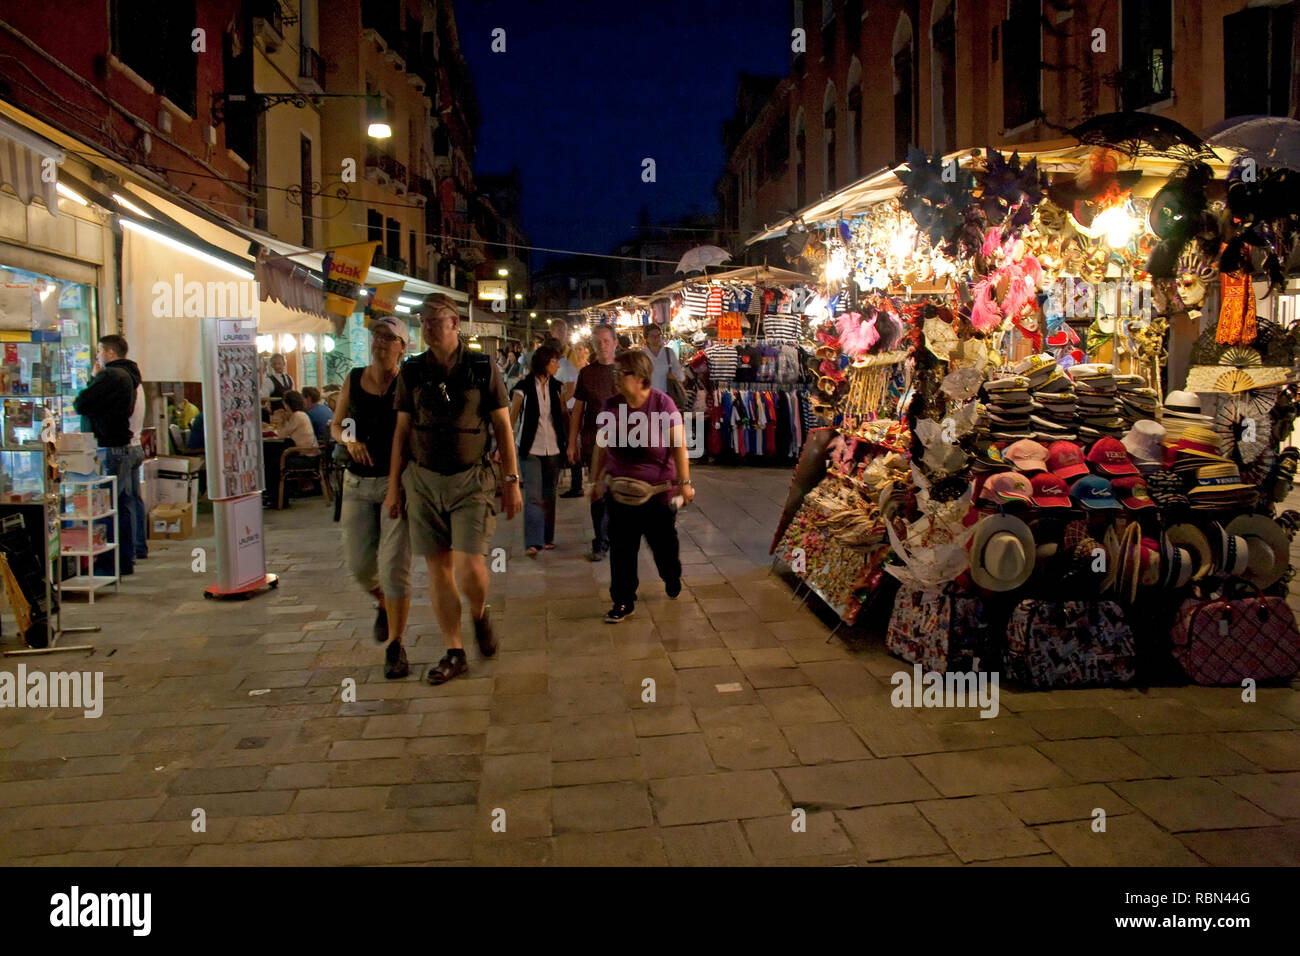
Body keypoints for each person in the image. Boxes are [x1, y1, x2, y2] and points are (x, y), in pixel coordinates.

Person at [386, 296, 522, 686]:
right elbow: (401, 433)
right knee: (438, 570)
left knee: (469, 566)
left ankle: (479, 613)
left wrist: (511, 480)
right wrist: (394, 487)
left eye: (434, 320)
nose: (426, 327)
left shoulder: (481, 366)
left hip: (470, 480)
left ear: (454, 323)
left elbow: (502, 427)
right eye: (422, 321)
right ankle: (454, 650)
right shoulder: (412, 371)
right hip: (423, 480)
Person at [331, 316, 413, 676]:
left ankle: (396, 645)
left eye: (389, 339)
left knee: (395, 568)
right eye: (377, 337)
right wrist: (349, 440)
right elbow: (336, 424)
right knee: (361, 566)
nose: (381, 344)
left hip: (397, 485)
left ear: (401, 348)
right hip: (357, 485)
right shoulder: (354, 379)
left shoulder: (408, 384)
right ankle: (382, 603)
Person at [590, 350, 693, 622]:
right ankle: (623, 600)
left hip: (657, 493)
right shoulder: (611, 405)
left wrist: (684, 484)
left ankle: (671, 576)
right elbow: (601, 446)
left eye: (619, 373)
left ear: (639, 378)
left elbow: (679, 446)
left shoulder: (663, 405)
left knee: (664, 548)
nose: (614, 378)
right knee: (622, 549)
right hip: (620, 492)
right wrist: (595, 480)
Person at [74, 334, 142, 575]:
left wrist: (93, 379)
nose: (97, 356)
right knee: (122, 503)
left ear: (110, 353)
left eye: (100, 351)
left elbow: (80, 404)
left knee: (107, 506)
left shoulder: (110, 376)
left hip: (109, 446)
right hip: (121, 445)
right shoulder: (129, 376)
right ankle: (125, 558)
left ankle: (108, 561)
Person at [510, 345, 567, 557]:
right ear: (544, 362)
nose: (558, 365)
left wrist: (569, 443)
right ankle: (533, 542)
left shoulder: (557, 387)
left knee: (549, 495)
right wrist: (502, 446)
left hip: (552, 447)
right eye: (554, 361)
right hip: (530, 447)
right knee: (533, 495)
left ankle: (547, 537)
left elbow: (562, 416)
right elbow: (513, 415)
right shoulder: (523, 387)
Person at [568, 324, 618, 559]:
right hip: (594, 442)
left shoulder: (625, 371)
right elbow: (578, 411)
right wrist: (572, 442)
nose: (602, 346)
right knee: (598, 492)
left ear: (615, 343)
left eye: (606, 341)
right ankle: (600, 540)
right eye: (598, 342)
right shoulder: (587, 374)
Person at [557, 341, 589, 498]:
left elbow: (570, 391)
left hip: (569, 411)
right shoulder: (568, 367)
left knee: (572, 445)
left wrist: (557, 402)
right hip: (568, 409)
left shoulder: (566, 368)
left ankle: (576, 485)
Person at [642, 322, 683, 393]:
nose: (656, 338)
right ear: (646, 338)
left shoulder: (668, 352)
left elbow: (681, 375)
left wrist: (674, 376)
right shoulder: (642, 355)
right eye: (652, 336)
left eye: (658, 335)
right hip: (648, 396)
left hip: (667, 395)